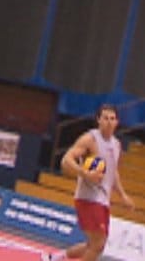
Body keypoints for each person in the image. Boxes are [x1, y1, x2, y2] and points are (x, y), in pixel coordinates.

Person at [40, 104, 135, 261]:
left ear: (117, 122)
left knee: (93, 244)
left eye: (112, 119)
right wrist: (85, 174)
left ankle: (56, 257)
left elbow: (113, 172)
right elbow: (66, 160)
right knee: (98, 244)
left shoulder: (117, 145)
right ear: (98, 120)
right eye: (105, 118)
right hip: (88, 198)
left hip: (103, 200)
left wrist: (123, 195)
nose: (109, 122)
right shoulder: (90, 139)